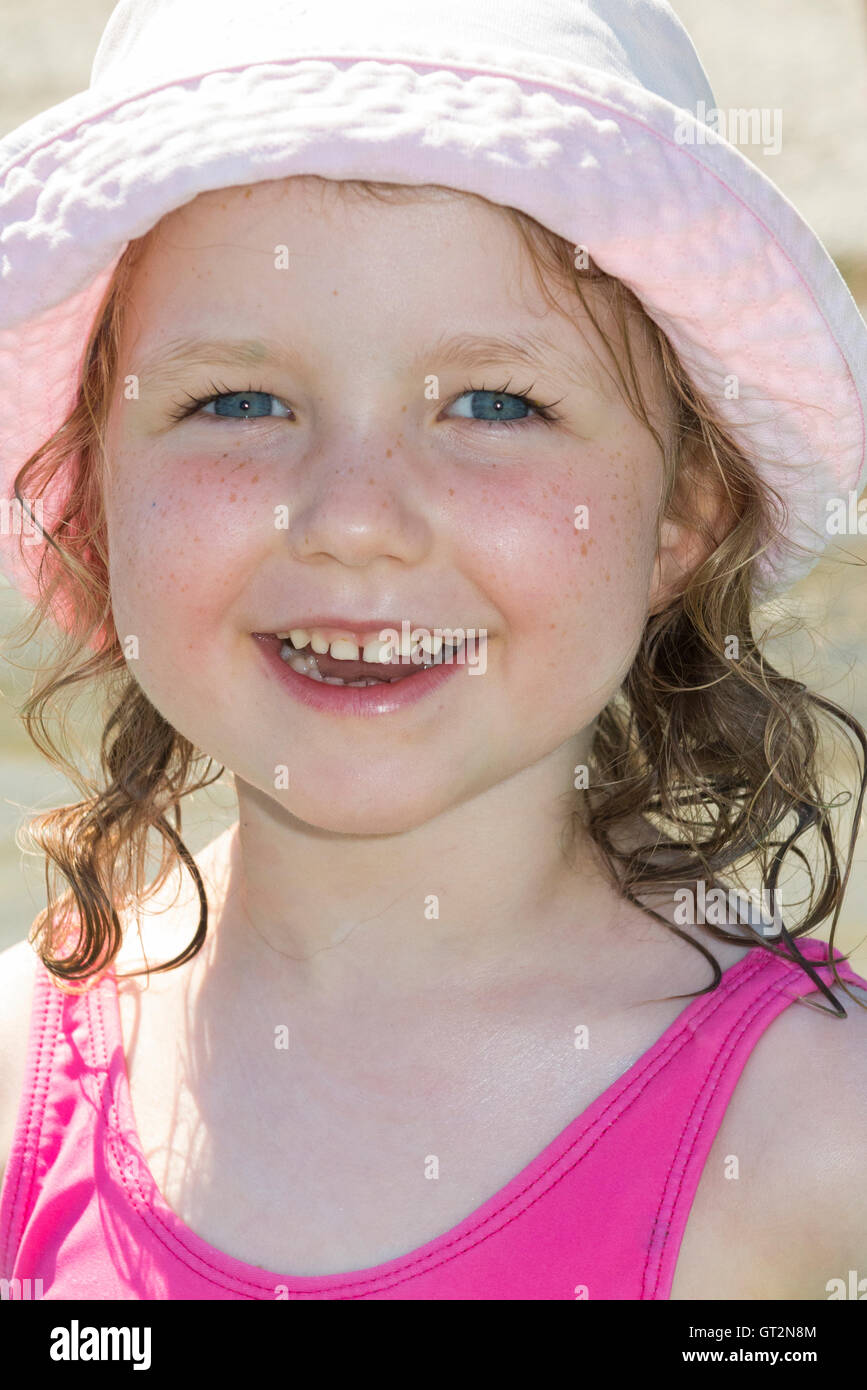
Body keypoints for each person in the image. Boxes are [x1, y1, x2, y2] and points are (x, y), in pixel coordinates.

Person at [0, 0, 865, 1301]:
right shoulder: (18, 1077)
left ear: (685, 512)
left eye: (494, 405)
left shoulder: (815, 1136)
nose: (354, 518)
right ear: (94, 496)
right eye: (237, 400)